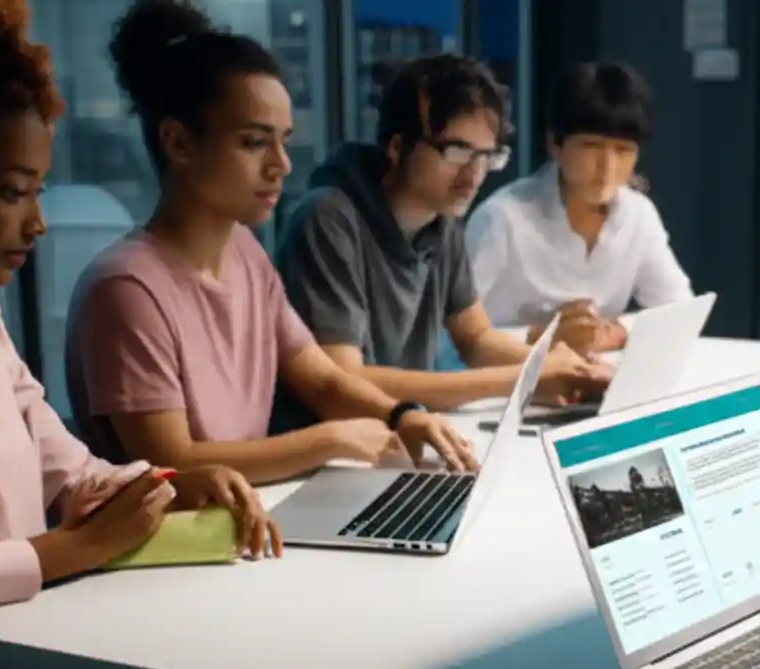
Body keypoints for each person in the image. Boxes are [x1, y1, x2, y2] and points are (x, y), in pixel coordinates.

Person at [0, 0, 278, 631]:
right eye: (12, 192)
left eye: (38, 191)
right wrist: (65, 553)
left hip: (34, 658)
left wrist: (171, 484)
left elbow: (71, 471)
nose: (38, 223)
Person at [65, 0, 478, 486]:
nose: (281, 164)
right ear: (178, 143)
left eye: (283, 141)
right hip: (175, 550)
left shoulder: (245, 254)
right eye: (253, 143)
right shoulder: (126, 288)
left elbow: (320, 377)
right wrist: (331, 439)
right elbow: (171, 461)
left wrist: (402, 414)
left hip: (249, 525)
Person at [274, 54, 612, 416]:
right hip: (328, 450)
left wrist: (574, 370)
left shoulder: (441, 220)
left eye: (487, 156)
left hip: (400, 435)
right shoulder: (328, 218)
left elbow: (476, 338)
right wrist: (526, 377)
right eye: (456, 150)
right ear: (397, 146)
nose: (474, 173)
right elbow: (344, 378)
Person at [466, 62, 693, 353]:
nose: (607, 168)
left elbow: (680, 313)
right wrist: (542, 338)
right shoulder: (502, 218)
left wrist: (619, 331)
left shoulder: (638, 214)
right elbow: (445, 342)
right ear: (555, 144)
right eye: (591, 146)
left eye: (623, 150)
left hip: (594, 381)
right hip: (505, 385)